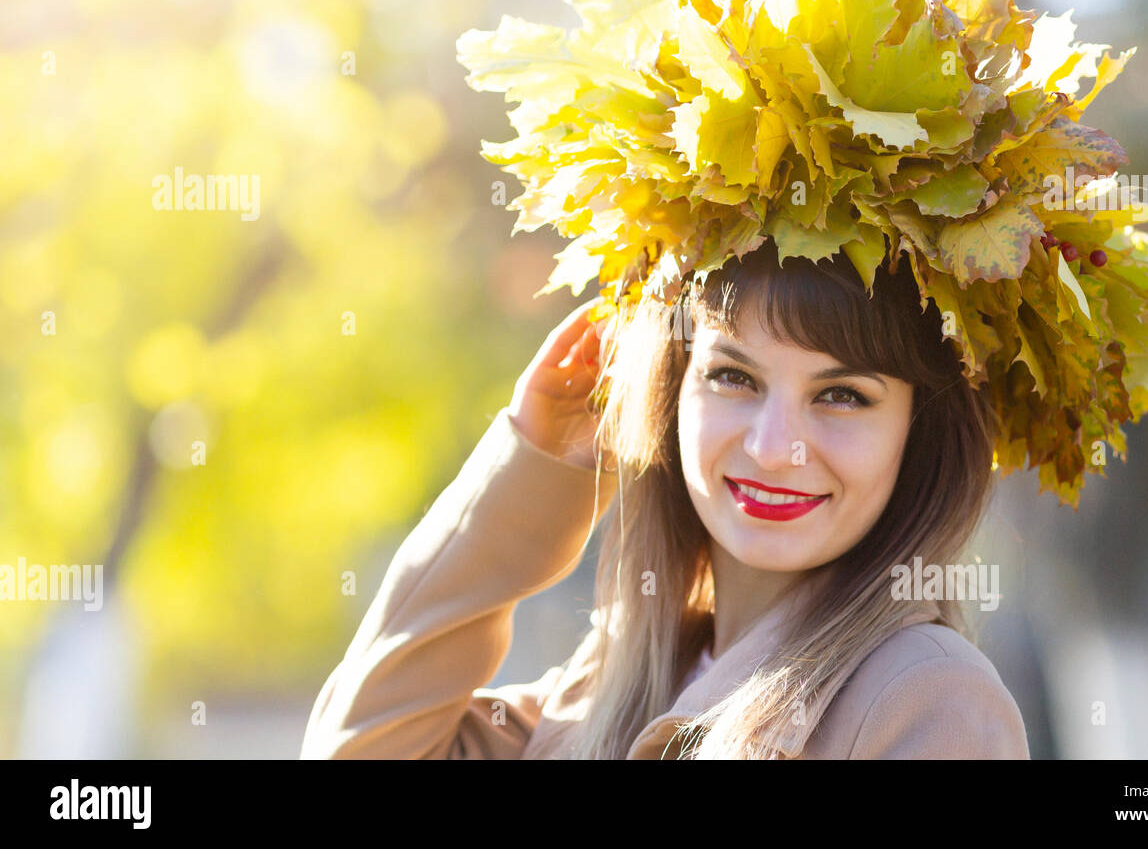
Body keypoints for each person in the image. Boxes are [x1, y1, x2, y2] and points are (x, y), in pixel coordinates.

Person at [299, 239, 1030, 759]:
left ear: (917, 433)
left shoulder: (929, 697)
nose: (776, 447)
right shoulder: (604, 683)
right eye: (733, 378)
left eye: (842, 395)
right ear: (669, 393)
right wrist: (533, 466)